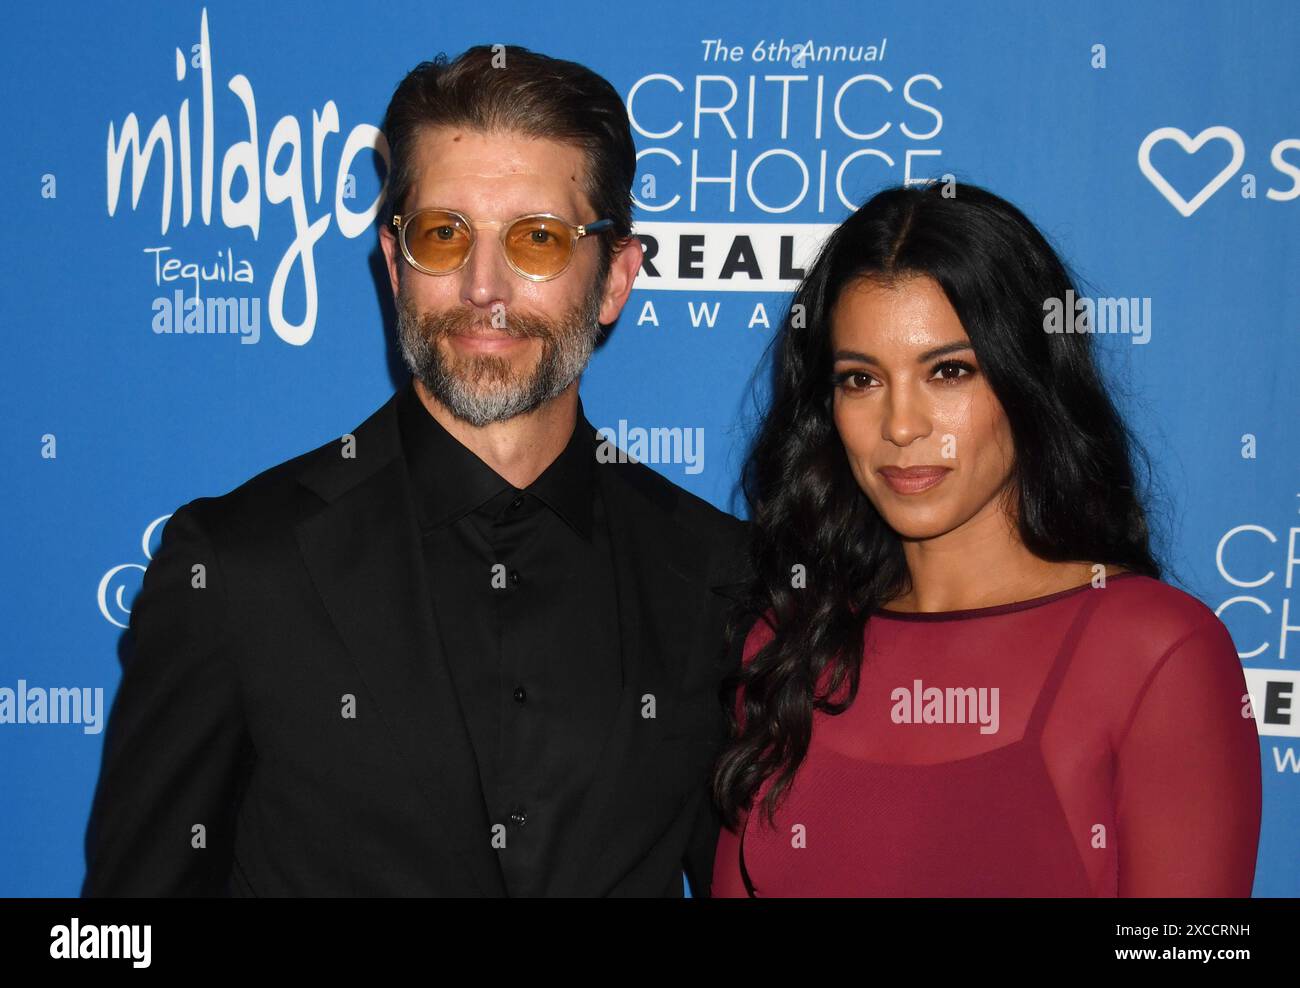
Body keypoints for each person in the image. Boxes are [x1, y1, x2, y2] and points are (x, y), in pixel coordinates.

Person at [82, 45, 749, 897]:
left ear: (615, 277)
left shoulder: (715, 577)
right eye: (445, 233)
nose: (483, 286)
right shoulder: (236, 568)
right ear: (395, 266)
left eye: (538, 239)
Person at [710, 181, 1262, 897]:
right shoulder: (787, 643)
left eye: (949, 371)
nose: (902, 426)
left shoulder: (1156, 651)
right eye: (860, 380)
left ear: (1027, 380)